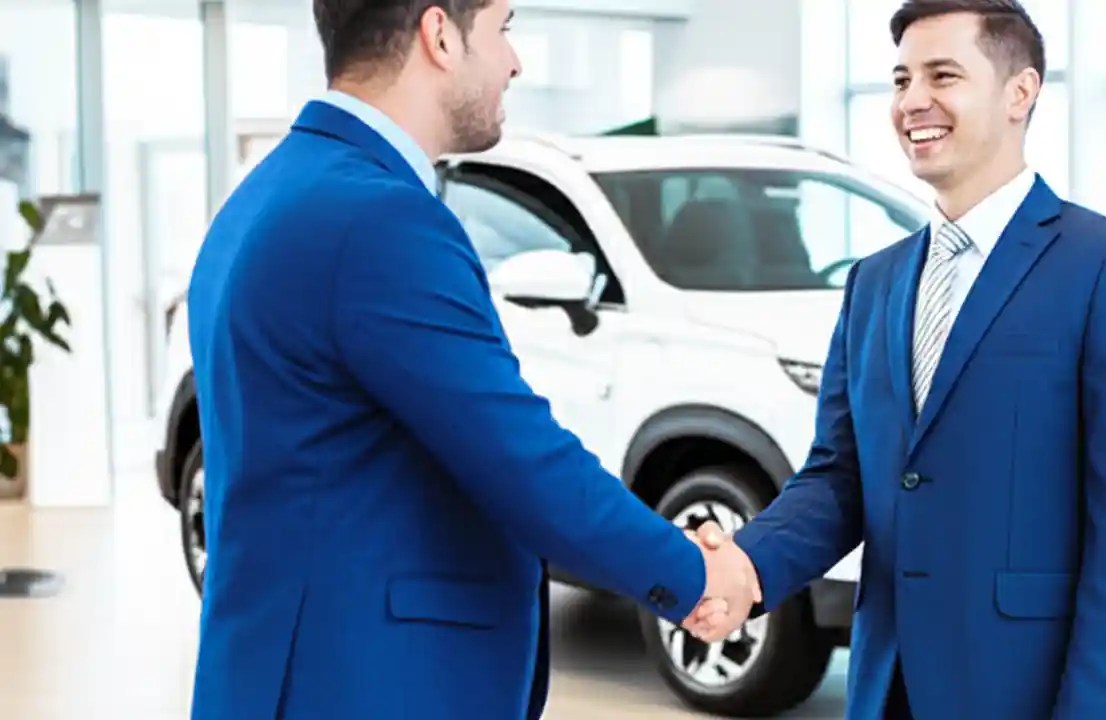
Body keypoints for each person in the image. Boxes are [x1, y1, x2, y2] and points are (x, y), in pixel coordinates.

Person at [184, 1, 758, 718]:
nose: (515, 62)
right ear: (440, 35)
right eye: (504, 29)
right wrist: (691, 574)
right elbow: (521, 460)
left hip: (281, 669)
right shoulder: (378, 218)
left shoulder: (266, 195)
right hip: (365, 682)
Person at [690, 0, 1106, 718]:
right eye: (899, 80)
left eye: (942, 75)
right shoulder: (874, 281)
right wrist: (746, 565)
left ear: (1021, 92)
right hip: (889, 684)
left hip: (1032, 690)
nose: (911, 102)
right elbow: (841, 477)